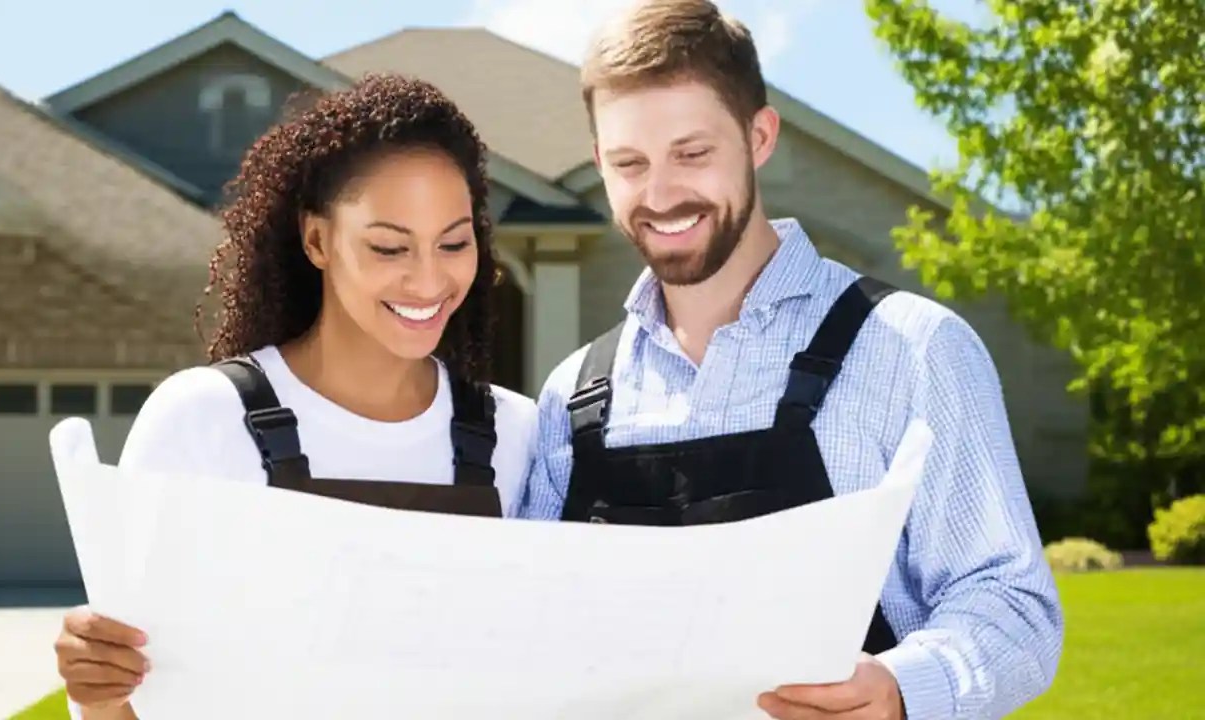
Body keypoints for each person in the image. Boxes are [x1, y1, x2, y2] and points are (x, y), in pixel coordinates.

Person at [517, 1, 1063, 718]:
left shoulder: (912, 349)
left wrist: (902, 690)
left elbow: (1012, 604)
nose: (660, 194)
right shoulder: (576, 395)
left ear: (759, 136)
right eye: (629, 163)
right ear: (600, 163)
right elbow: (532, 628)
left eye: (692, 153)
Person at [52, 73, 538, 719]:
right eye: (390, 246)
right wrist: (97, 690)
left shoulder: (516, 432)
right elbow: (137, 704)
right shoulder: (203, 421)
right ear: (317, 240)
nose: (428, 279)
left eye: (454, 242)